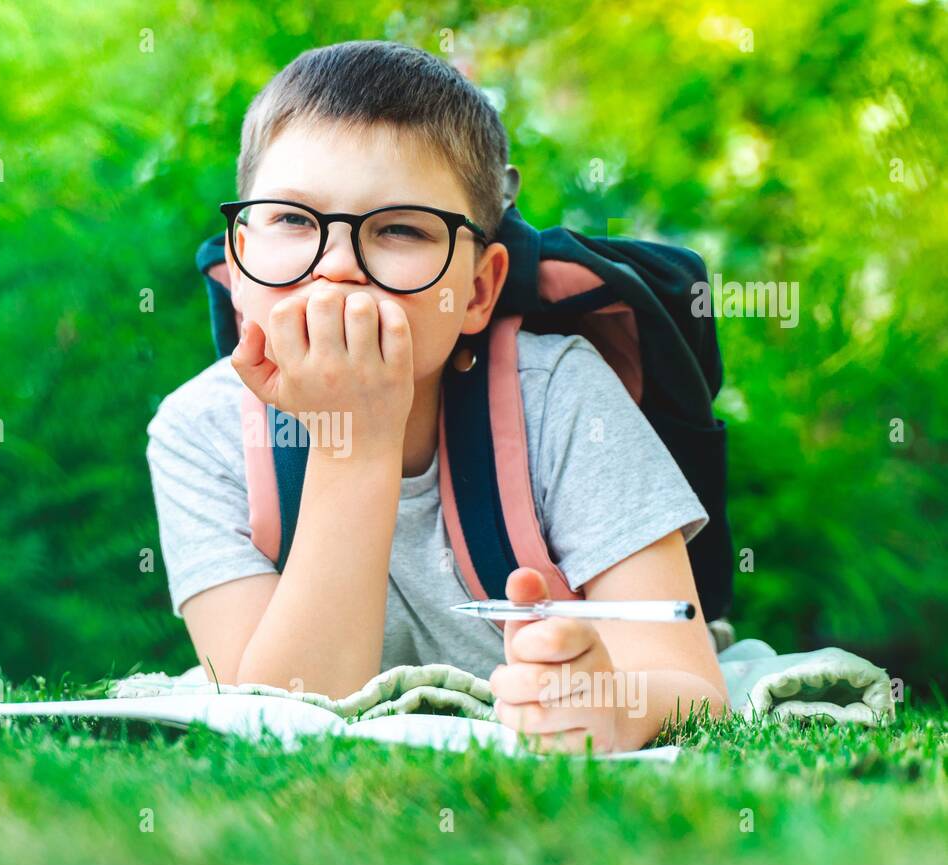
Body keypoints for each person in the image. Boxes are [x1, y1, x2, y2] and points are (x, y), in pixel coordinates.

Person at [146, 40, 729, 753]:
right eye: (294, 220)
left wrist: (614, 707)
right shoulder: (197, 432)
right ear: (237, 264)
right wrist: (352, 443)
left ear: (479, 289)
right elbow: (275, 719)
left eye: (398, 229)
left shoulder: (558, 395)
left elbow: (690, 684)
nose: (336, 268)